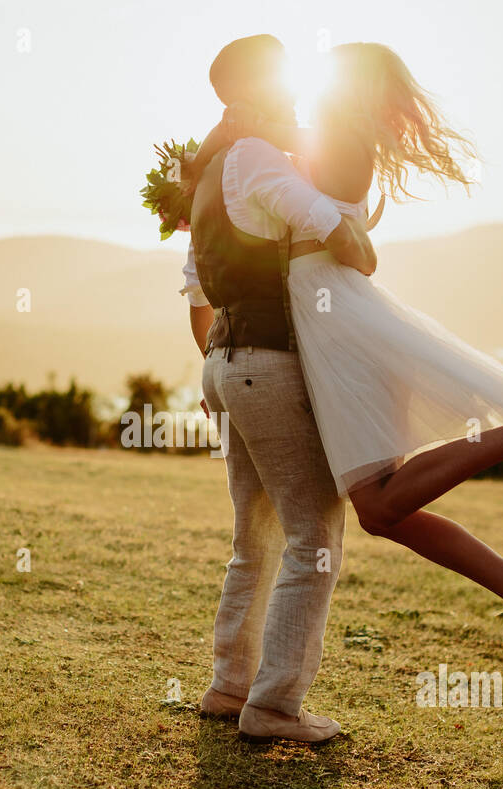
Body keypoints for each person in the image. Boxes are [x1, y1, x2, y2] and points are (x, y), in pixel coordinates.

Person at [184, 41, 503, 688]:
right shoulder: (312, 138)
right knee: (384, 511)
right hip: (327, 328)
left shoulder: (337, 142)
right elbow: (246, 141)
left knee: (377, 508)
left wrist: (211, 151)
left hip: (343, 330)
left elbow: (343, 239)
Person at [182, 35, 376, 743]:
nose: (296, 97)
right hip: (268, 361)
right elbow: (334, 229)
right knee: (314, 532)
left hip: (225, 361)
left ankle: (230, 687)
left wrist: (217, 373)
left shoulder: (206, 178)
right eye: (286, 87)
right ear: (259, 93)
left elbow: (193, 288)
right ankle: (275, 707)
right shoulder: (258, 160)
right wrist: (360, 246)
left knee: (254, 537)